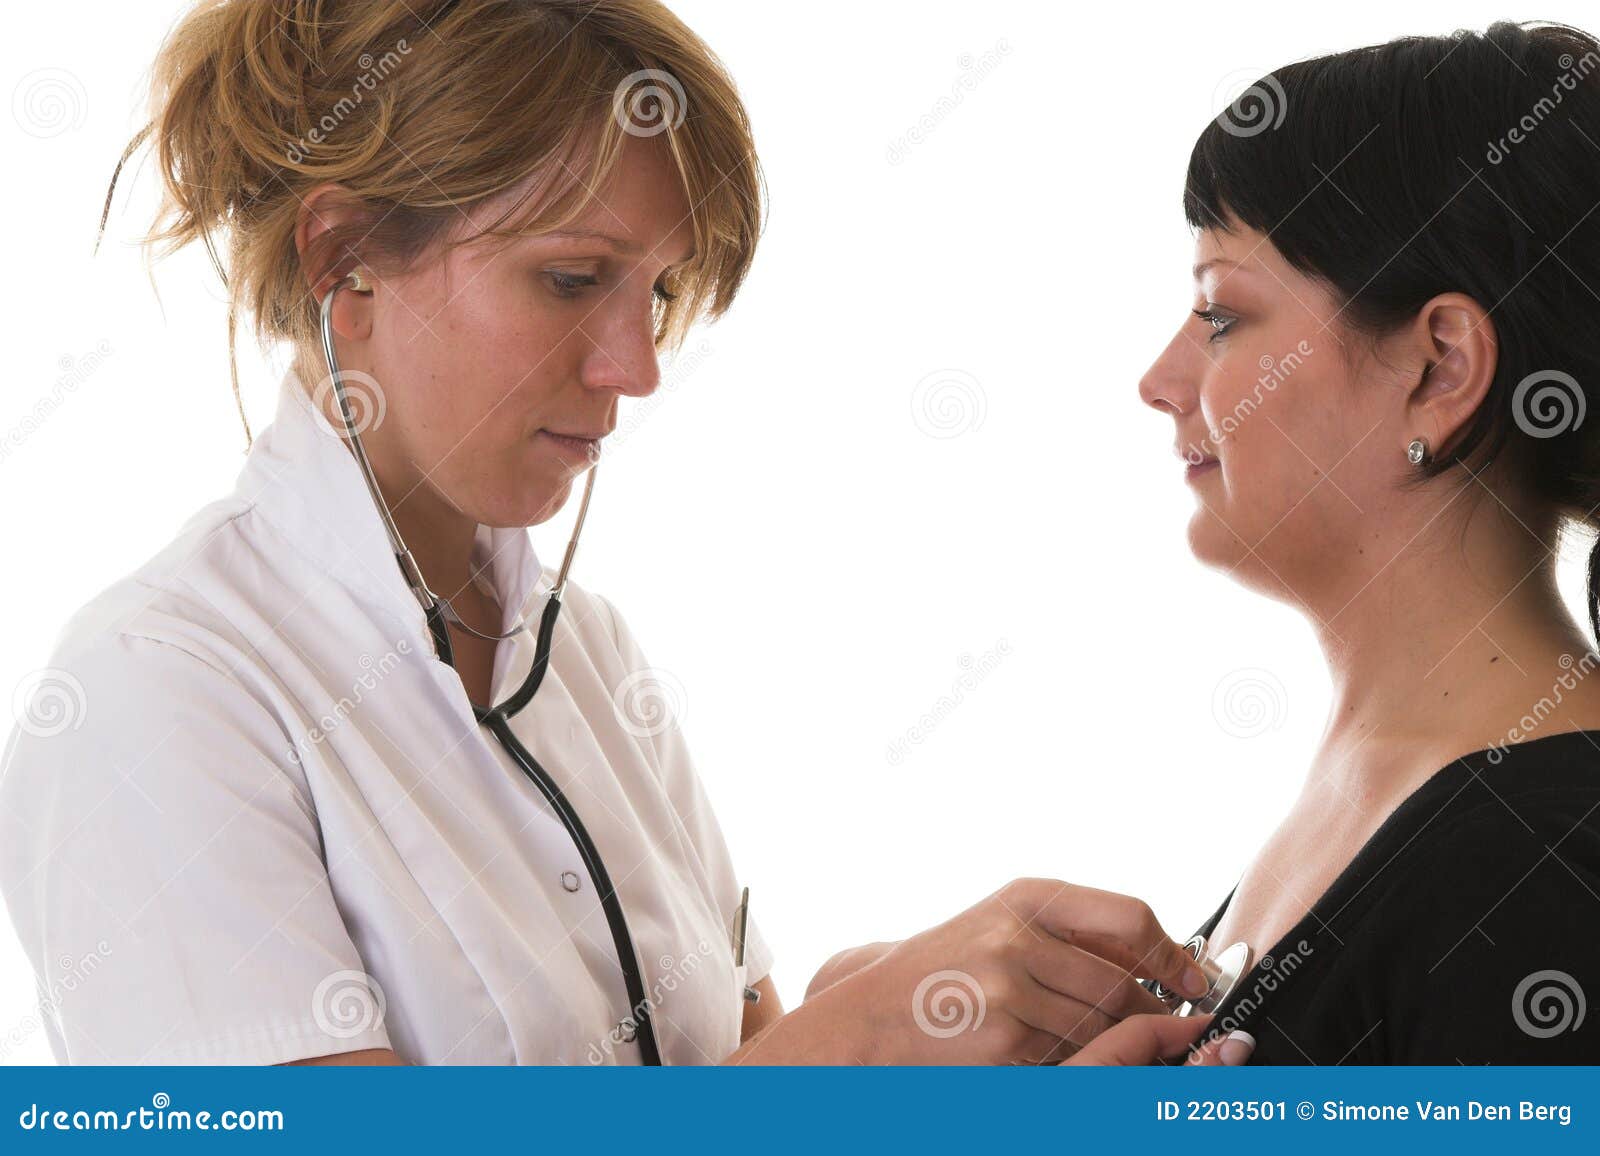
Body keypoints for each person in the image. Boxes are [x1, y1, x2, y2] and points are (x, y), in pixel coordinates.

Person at [0, 0, 1228, 1067]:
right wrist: (853, 1042)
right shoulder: (157, 694)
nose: (637, 367)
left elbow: (743, 1074)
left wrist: (937, 1036)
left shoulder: (587, 654)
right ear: (346, 261)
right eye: (575, 279)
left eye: (660, 291)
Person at [1138, 20, 1600, 1063]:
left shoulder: (1538, 873)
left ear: (1439, 368)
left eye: (1221, 316)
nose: (1159, 381)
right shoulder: (1395, 801)